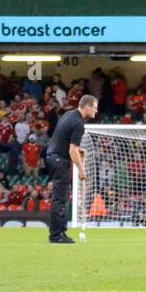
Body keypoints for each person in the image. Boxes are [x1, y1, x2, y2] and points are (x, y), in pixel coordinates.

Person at [45, 94, 96, 244]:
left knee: (60, 197)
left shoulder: (69, 114)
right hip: (60, 160)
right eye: (94, 107)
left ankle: (58, 233)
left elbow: (65, 140)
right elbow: (72, 150)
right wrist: (82, 170)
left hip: (52, 157)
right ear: (86, 106)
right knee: (61, 199)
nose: (96, 111)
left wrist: (78, 149)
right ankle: (57, 235)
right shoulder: (78, 123)